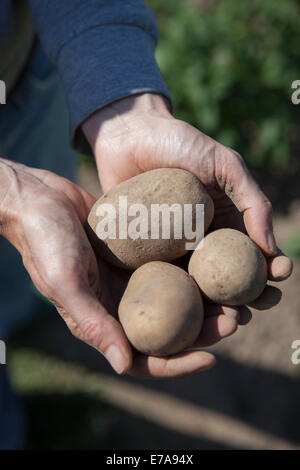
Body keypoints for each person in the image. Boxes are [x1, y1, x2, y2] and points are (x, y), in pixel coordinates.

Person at [0, 0, 293, 449]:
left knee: (21, 273)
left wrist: (125, 102)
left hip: (20, 76)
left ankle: (19, 314)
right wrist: (10, 195)